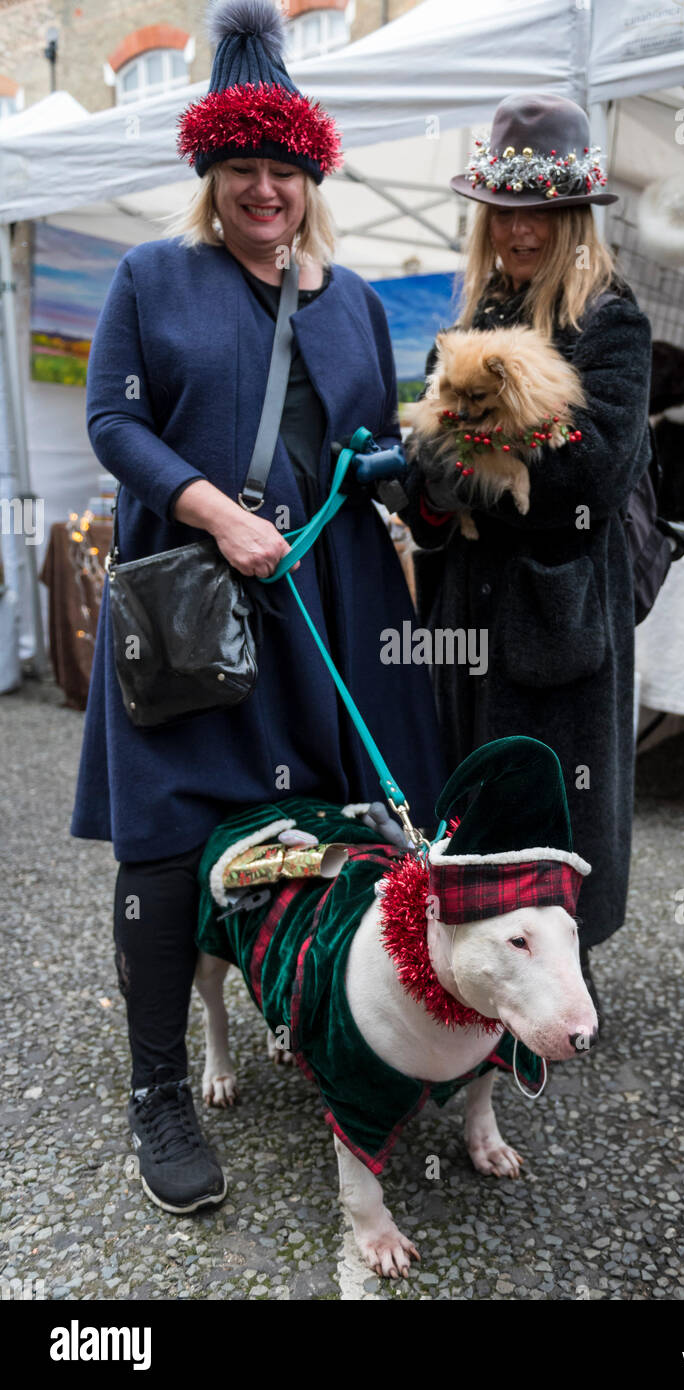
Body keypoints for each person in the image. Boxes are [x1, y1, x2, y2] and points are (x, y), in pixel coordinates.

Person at [69, 1, 445, 1214]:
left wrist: (422, 473)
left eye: (282, 168)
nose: (263, 189)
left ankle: (348, 1025)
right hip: (188, 603)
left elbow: (373, 439)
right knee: (171, 835)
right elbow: (113, 423)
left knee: (348, 823)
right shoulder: (151, 277)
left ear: (310, 172)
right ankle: (159, 1088)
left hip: (327, 603)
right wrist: (216, 514)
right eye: (241, 168)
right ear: (210, 173)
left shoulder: (354, 301)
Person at [400, 93, 654, 1019]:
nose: (518, 228)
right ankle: (475, 981)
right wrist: (434, 485)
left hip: (556, 613)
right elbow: (427, 468)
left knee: (555, 810)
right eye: (504, 209)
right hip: (466, 610)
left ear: (571, 218)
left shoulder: (612, 325)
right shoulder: (476, 316)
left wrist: (461, 467)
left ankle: (560, 998)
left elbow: (587, 478)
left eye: (539, 210)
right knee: (476, 800)